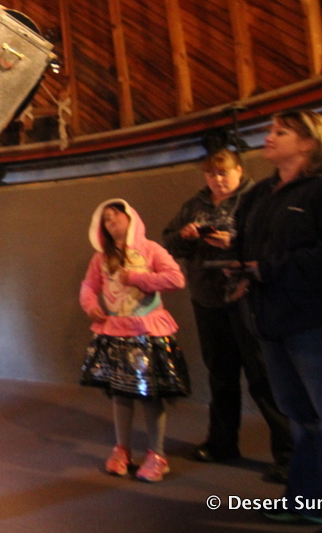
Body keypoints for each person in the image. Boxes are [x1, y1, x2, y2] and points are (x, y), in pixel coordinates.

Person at [221, 110, 322, 533]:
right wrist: (239, 266)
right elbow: (246, 242)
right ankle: (308, 500)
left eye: (281, 131)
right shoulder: (261, 194)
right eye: (271, 130)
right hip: (277, 322)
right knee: (302, 419)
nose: (268, 136)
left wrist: (266, 269)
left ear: (310, 142)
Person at [162, 149, 292, 483]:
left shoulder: (258, 198)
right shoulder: (196, 204)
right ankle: (221, 443)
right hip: (207, 299)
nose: (217, 180)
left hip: (248, 299)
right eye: (210, 174)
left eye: (223, 173)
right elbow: (169, 242)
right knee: (220, 374)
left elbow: (277, 244)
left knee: (263, 377)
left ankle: (289, 455)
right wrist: (186, 237)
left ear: (238, 171)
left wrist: (234, 243)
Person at [79, 199, 189, 483]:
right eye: (105, 219)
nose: (110, 221)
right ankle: (122, 449)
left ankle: (157, 454)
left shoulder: (151, 249)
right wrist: (90, 305)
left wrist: (139, 277)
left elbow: (176, 279)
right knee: (120, 393)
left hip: (147, 333)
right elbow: (89, 286)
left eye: (115, 215)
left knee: (150, 395)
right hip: (116, 333)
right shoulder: (101, 257)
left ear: (131, 218)